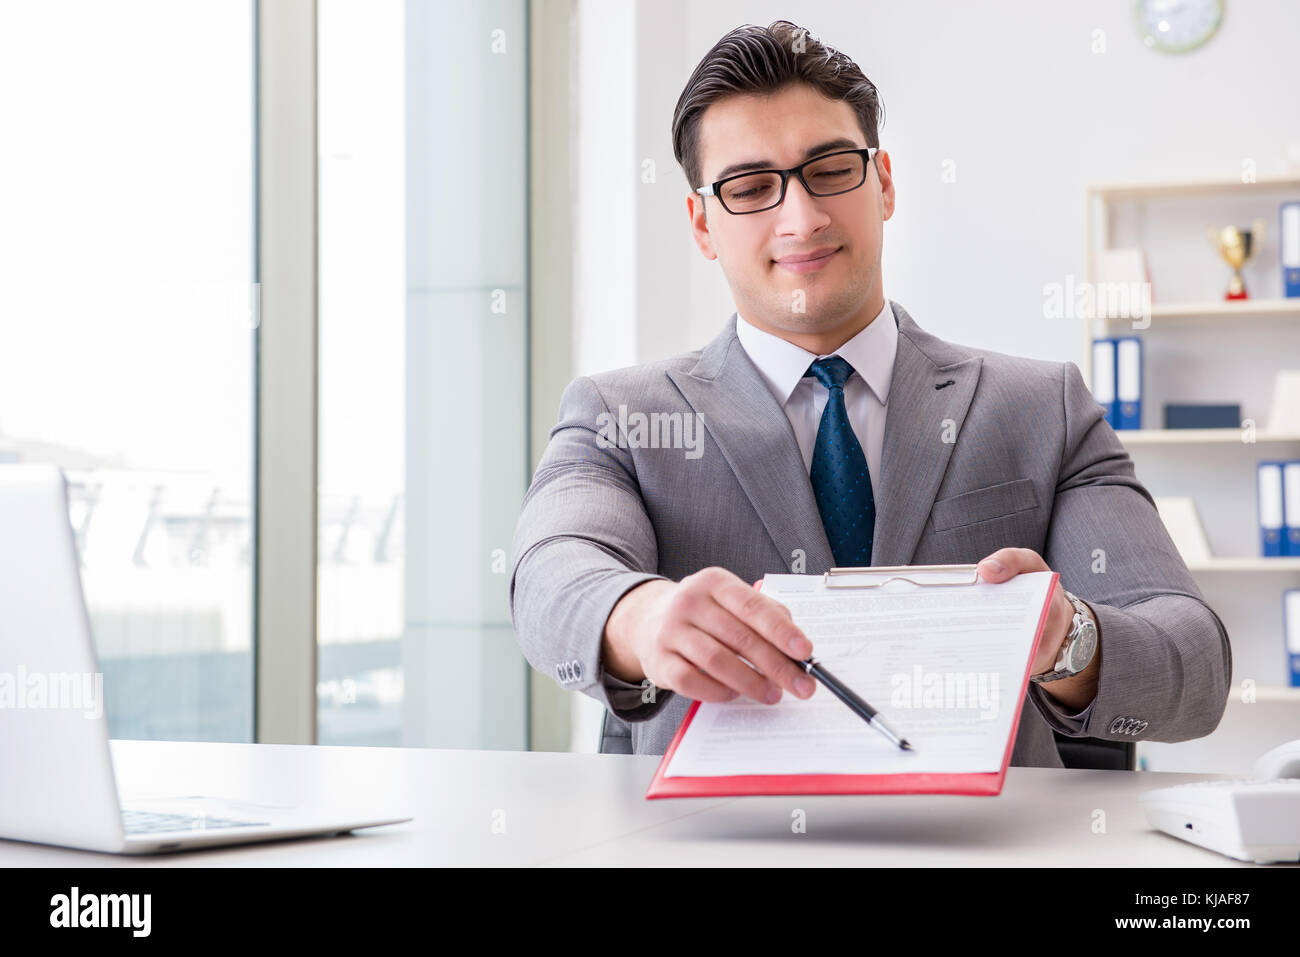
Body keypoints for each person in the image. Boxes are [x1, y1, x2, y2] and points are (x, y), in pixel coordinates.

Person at [509, 20, 1231, 766]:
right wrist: (641, 615)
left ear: (883, 183)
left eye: (829, 170)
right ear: (702, 224)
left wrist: (1068, 635)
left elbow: (1195, 666)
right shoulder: (622, 419)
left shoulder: (1041, 408)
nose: (803, 217)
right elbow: (550, 573)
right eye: (752, 187)